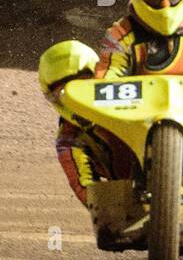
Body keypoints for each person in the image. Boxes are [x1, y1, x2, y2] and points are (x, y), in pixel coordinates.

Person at [38, 40, 135, 206]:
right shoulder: (69, 141)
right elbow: (90, 195)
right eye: (64, 93)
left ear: (98, 76)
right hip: (140, 197)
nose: (76, 99)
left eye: (82, 86)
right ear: (52, 97)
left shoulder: (134, 87)